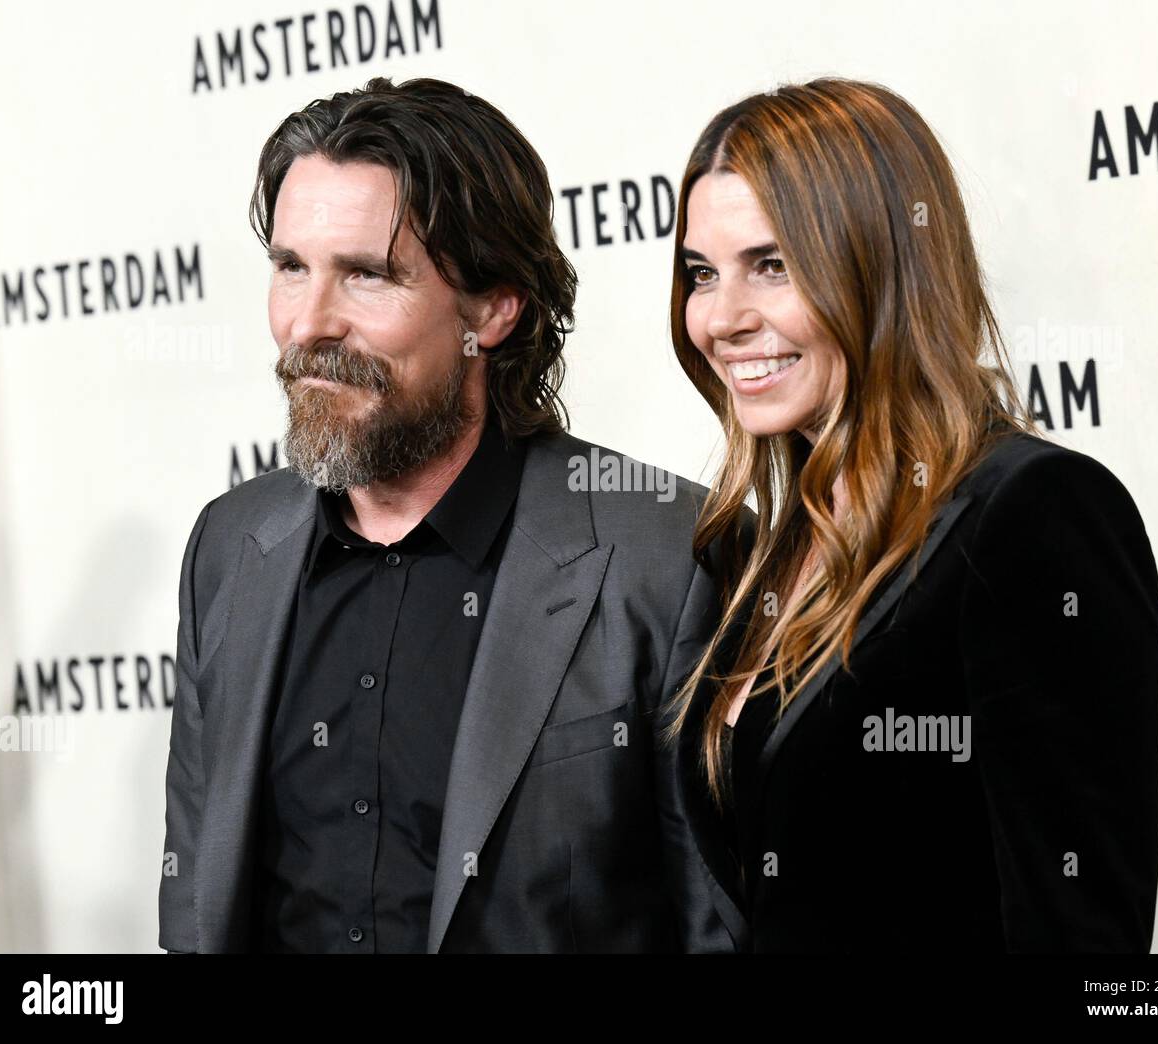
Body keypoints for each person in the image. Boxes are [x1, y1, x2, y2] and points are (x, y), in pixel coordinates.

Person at [158, 77, 731, 953]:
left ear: (495, 307)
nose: (309, 324)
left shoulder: (664, 555)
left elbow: (717, 927)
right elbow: (196, 905)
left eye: (368, 276)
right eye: (290, 268)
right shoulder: (231, 548)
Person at [664, 77, 1158, 953]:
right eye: (703, 274)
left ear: (881, 265)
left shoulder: (1031, 517)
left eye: (772, 266)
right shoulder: (770, 549)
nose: (721, 318)